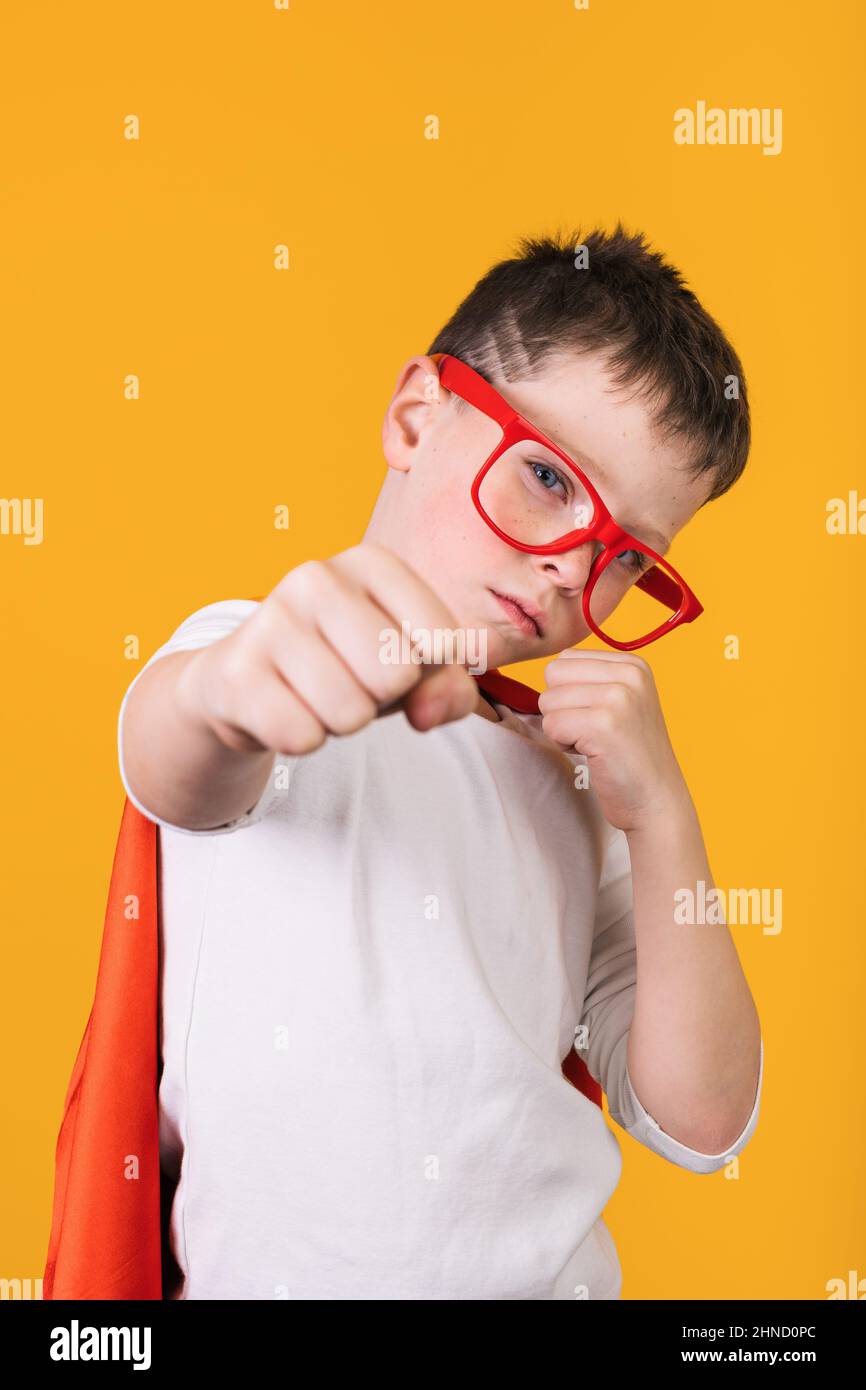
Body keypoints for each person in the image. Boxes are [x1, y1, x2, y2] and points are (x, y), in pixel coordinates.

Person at [116, 225, 762, 1299]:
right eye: (549, 477)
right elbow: (172, 755)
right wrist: (235, 688)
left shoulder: (579, 790)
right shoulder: (262, 651)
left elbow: (701, 1121)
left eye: (626, 558)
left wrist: (665, 825)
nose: (567, 565)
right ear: (415, 417)